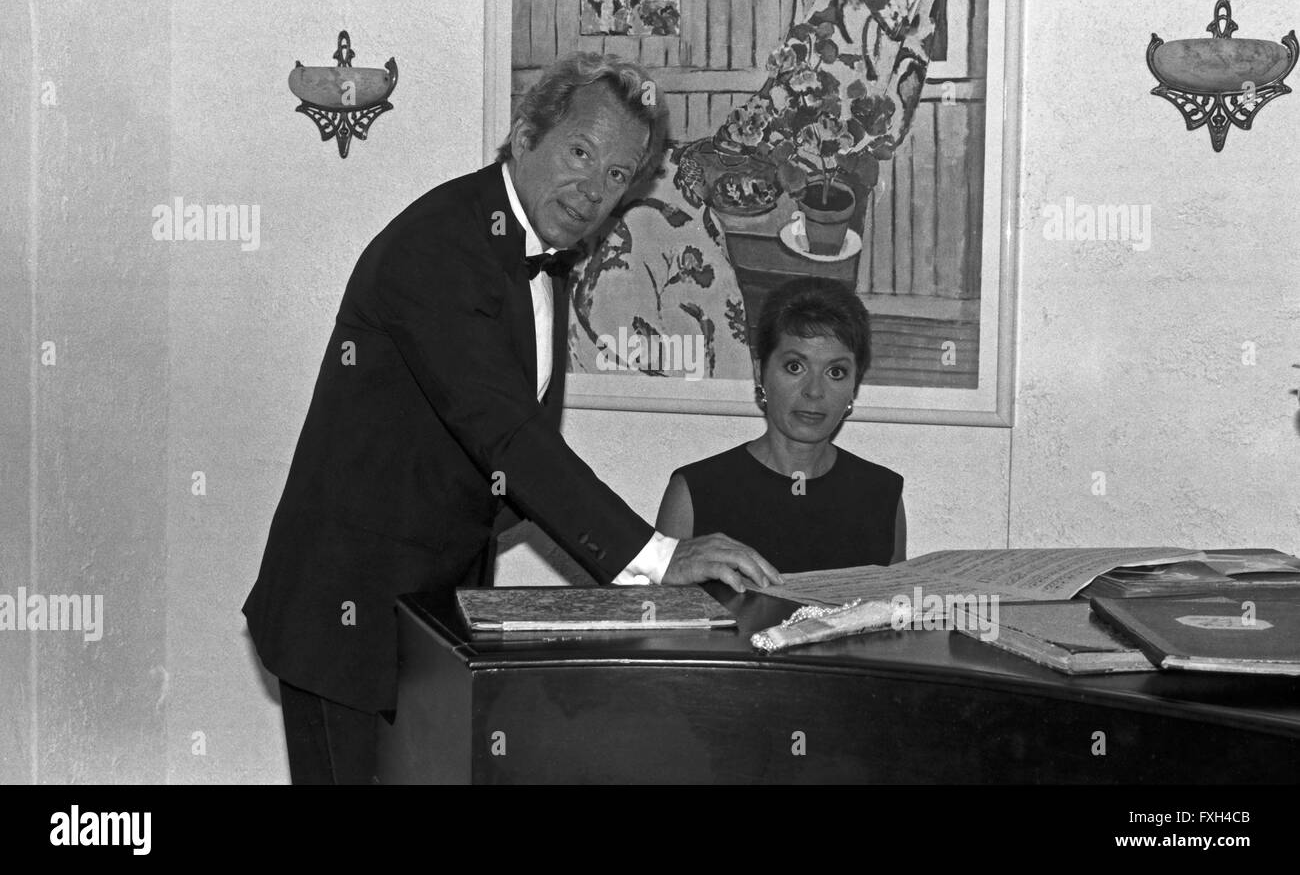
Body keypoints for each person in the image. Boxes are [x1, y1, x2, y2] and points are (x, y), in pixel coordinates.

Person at [242, 53, 782, 784]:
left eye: (618, 175)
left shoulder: (539, 251)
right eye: (581, 152)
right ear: (526, 134)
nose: (593, 189)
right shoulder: (442, 244)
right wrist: (654, 557)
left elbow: (494, 462)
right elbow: (503, 432)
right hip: (347, 611)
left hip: (433, 611)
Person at [656, 277, 906, 572]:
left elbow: (894, 613)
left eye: (836, 372)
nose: (814, 391)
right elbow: (664, 614)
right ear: (760, 373)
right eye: (795, 367)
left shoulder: (882, 496)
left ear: (855, 384)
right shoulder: (694, 494)